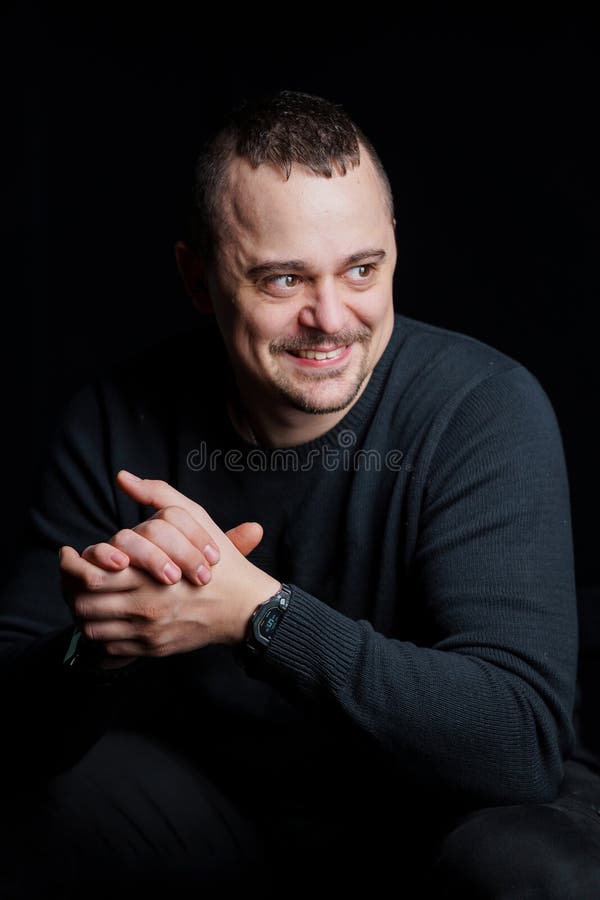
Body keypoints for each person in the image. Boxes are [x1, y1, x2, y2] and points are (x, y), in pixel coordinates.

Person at [1, 89, 599, 899]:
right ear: (199, 279)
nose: (331, 317)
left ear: (394, 247)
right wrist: (100, 642)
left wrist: (261, 615)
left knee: (540, 873)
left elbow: (518, 742)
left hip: (441, 816)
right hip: (224, 808)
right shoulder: (115, 420)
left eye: (361, 270)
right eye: (283, 279)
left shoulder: (483, 408)